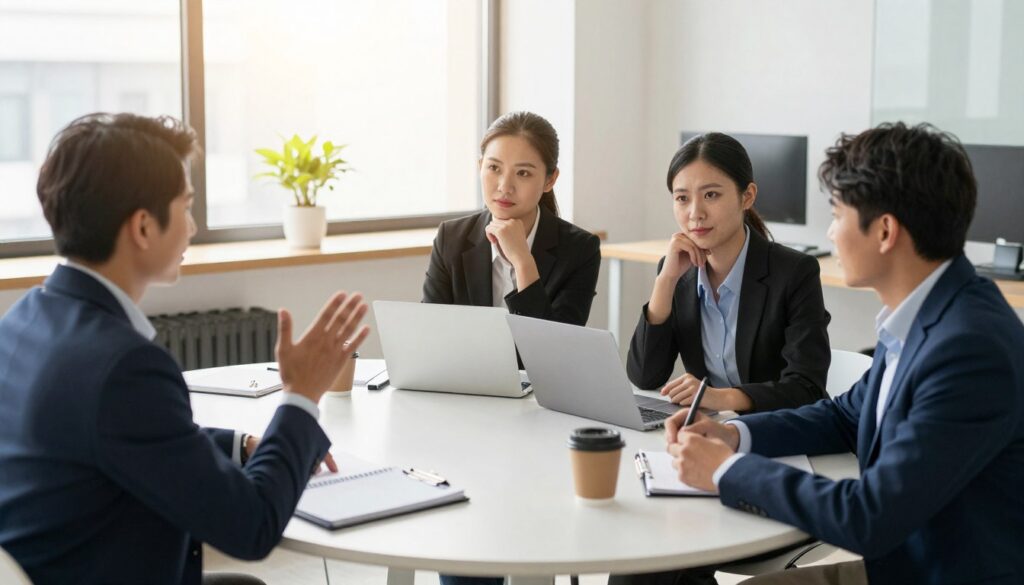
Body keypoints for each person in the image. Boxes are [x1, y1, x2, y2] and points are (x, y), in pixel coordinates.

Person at [0, 113, 371, 585]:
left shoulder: (27, 317)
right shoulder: (126, 367)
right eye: (186, 207)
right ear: (142, 227)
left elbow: (132, 437)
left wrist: (243, 445)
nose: (194, 227)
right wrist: (301, 398)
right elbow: (252, 527)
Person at [667, 122, 1024, 585]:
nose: (831, 234)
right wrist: (733, 435)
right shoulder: (928, 315)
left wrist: (728, 471)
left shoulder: (969, 349)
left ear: (885, 231)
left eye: (837, 215)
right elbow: (843, 417)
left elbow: (869, 517)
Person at [627, 132, 831, 415]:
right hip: (706, 431)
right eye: (682, 198)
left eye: (711, 195)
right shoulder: (676, 273)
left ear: (747, 196)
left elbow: (807, 388)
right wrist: (665, 282)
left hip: (773, 433)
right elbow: (644, 376)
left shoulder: (795, 273)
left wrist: (721, 398)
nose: (695, 213)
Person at [422, 111, 601, 327]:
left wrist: (523, 262)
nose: (504, 187)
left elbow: (552, 352)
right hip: (465, 363)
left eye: (523, 173)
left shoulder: (580, 250)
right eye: (494, 168)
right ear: (481, 167)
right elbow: (430, 333)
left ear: (550, 180)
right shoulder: (450, 238)